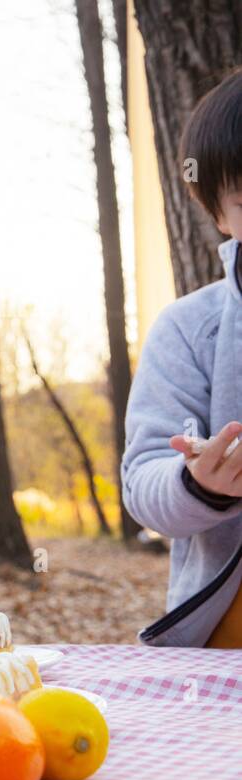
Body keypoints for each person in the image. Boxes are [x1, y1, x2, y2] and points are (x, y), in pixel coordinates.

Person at [123, 68, 242, 649]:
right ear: (221, 215)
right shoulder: (190, 330)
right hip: (226, 640)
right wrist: (200, 484)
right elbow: (143, 479)